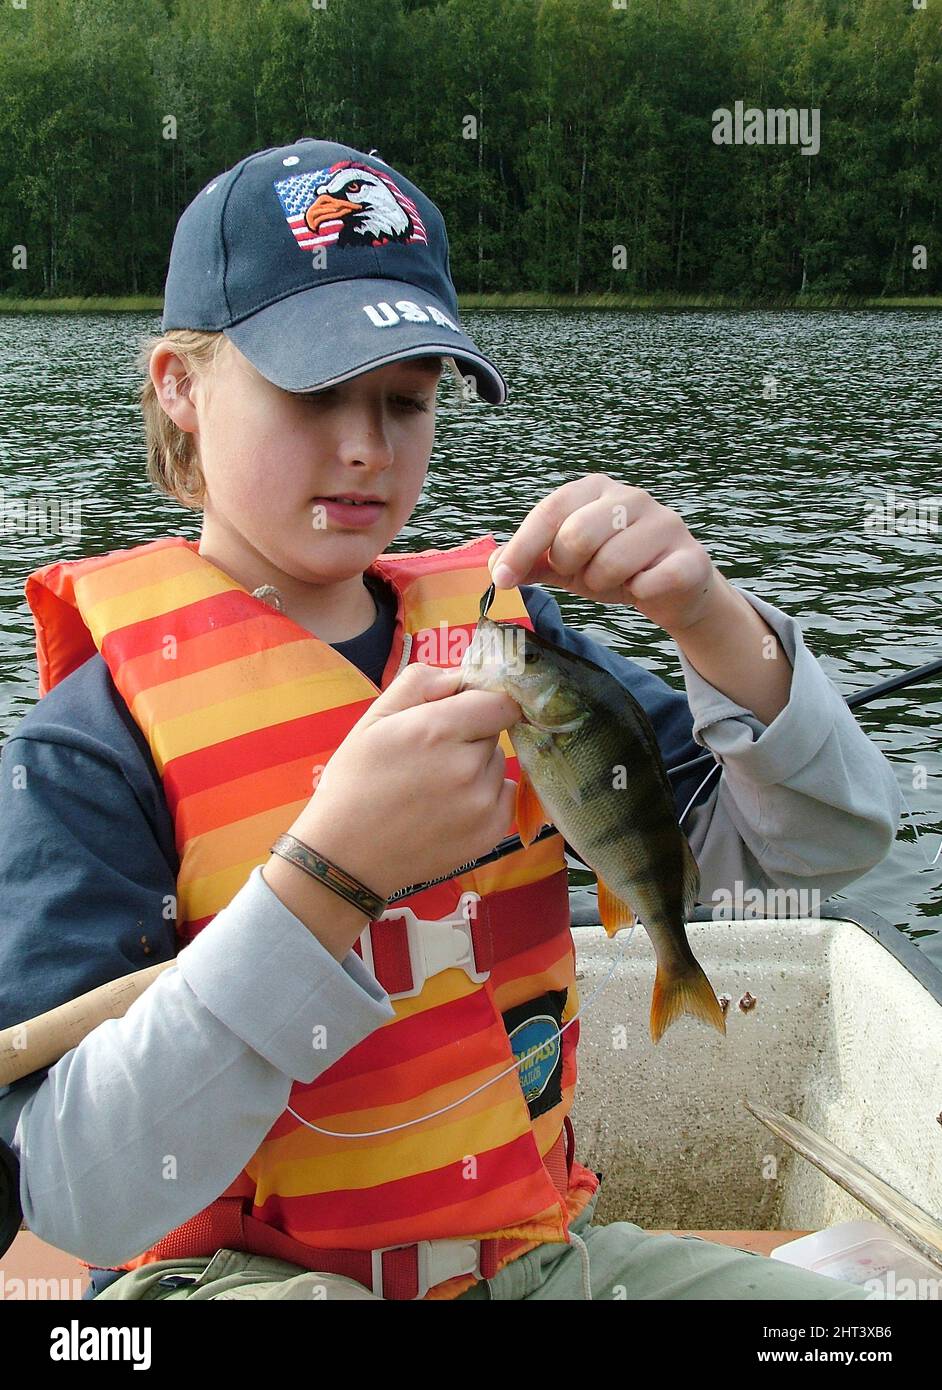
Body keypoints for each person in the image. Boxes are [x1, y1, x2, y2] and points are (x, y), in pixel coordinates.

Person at [0, 138, 901, 1302]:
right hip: (232, 1283)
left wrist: (716, 622)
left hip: (533, 1260)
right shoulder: (94, 741)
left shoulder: (514, 645)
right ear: (179, 382)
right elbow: (75, 1193)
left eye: (405, 400)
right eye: (314, 393)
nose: (367, 445)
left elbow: (824, 852)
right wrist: (328, 880)